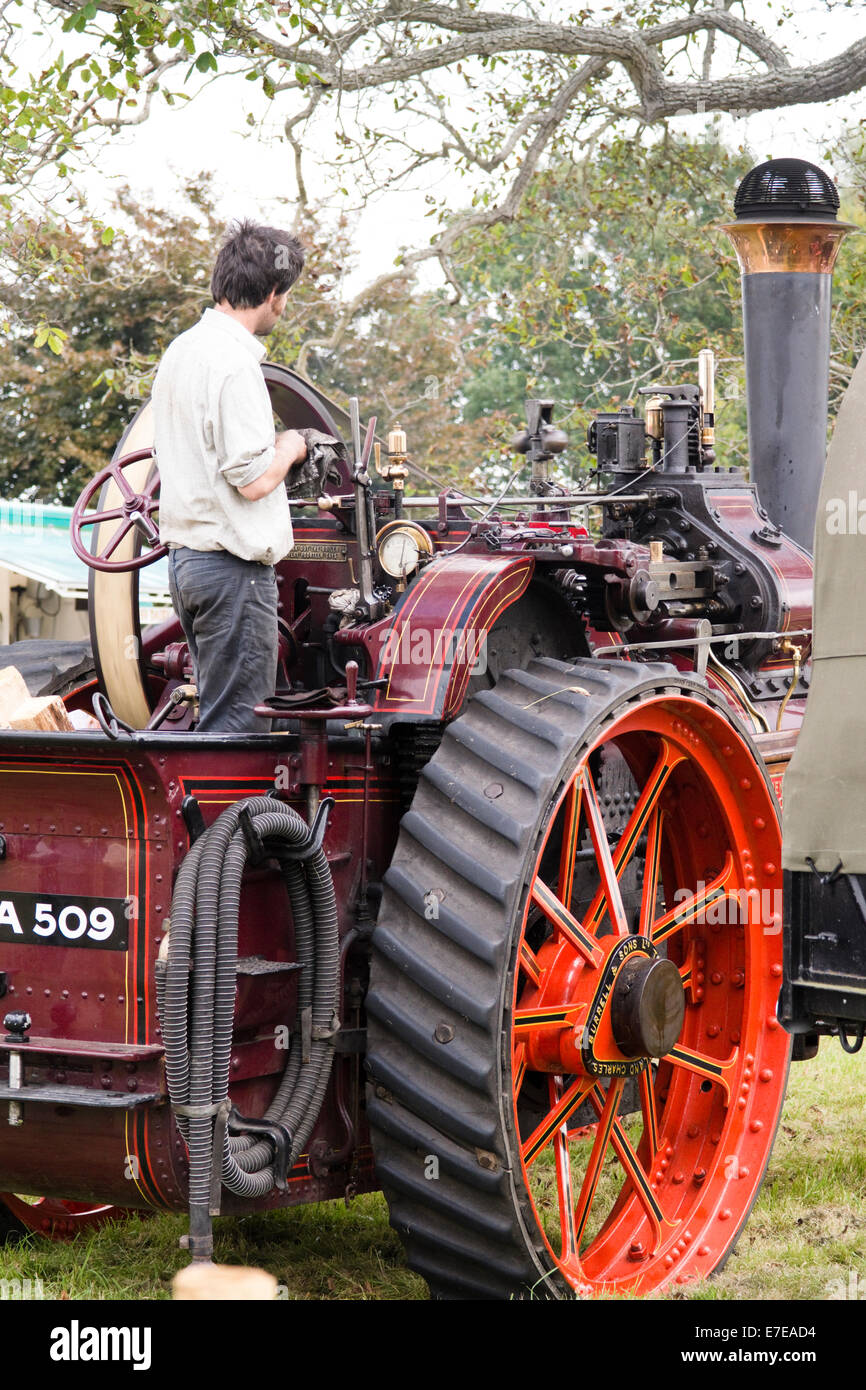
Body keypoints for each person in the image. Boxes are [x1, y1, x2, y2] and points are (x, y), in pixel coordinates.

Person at [152, 219, 307, 733]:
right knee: (238, 732)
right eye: (284, 294)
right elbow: (254, 480)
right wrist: (290, 447)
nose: (282, 306)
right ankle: (236, 818)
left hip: (187, 567)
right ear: (272, 293)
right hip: (232, 573)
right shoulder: (235, 364)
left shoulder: (182, 351)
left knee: (216, 718)